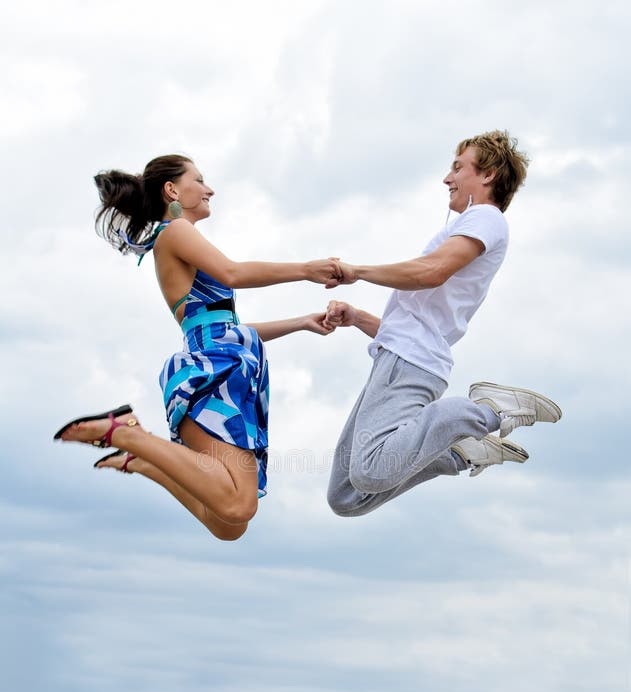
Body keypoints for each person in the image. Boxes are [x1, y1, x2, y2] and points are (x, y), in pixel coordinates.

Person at [54, 154, 342, 541]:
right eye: (200, 180)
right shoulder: (175, 231)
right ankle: (128, 434)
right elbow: (233, 273)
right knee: (239, 505)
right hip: (215, 372)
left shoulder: (175, 237)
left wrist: (301, 323)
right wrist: (306, 270)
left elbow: (225, 329)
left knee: (229, 524)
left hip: (220, 361)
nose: (209, 189)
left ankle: (144, 461)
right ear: (172, 190)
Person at [323, 130, 562, 517]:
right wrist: (358, 318)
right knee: (345, 496)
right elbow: (420, 317)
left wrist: (358, 271)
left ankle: (485, 411)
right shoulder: (470, 223)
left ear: (487, 175)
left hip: (409, 362)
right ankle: (458, 451)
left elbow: (432, 272)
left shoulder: (486, 217)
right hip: (401, 354)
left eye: (457, 167)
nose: (447, 178)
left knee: (370, 471)